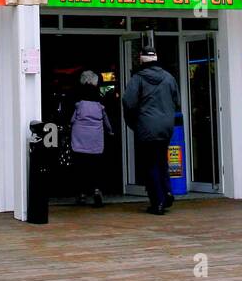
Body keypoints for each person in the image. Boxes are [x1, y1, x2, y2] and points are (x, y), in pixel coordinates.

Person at [122, 46, 180, 215]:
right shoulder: (169, 78)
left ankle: (158, 202)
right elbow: (176, 101)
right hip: (166, 127)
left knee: (150, 164)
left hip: (146, 127)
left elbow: (128, 102)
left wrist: (135, 120)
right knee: (162, 160)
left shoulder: (138, 79)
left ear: (141, 59)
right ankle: (167, 191)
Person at [69, 71, 113, 207]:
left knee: (80, 166)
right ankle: (97, 190)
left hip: (79, 138)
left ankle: (81, 194)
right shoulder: (100, 99)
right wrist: (110, 131)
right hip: (96, 139)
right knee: (96, 166)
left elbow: (71, 119)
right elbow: (106, 118)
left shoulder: (77, 98)